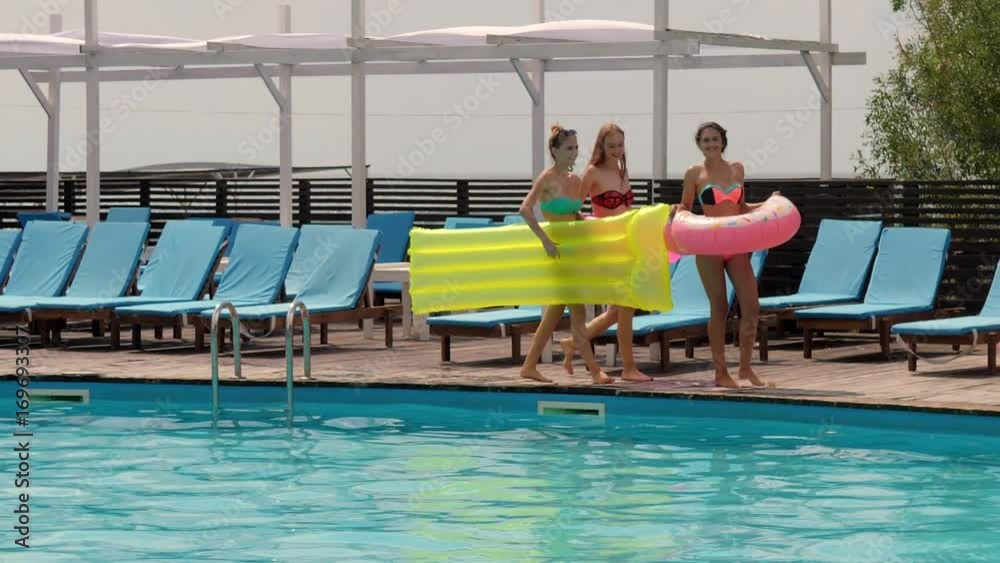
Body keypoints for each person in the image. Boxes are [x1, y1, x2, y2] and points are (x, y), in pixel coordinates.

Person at [673, 121, 771, 388]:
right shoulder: (694, 173)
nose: (711, 144)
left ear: (722, 141)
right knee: (719, 308)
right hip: (709, 246)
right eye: (706, 140)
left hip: (736, 245)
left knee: (752, 305)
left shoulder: (737, 169)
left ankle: (745, 368)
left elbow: (742, 207)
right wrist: (675, 211)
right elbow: (686, 207)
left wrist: (768, 204)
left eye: (715, 139)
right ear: (699, 144)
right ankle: (720, 373)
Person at [518, 124, 614, 385]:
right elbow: (525, 209)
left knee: (557, 312)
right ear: (555, 150)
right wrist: (546, 241)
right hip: (558, 252)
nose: (574, 152)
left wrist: (586, 226)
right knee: (578, 312)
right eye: (569, 148)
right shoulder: (547, 178)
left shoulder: (575, 180)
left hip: (576, 251)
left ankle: (530, 365)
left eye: (576, 148)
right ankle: (594, 371)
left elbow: (573, 213)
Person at [558, 123, 652, 382]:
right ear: (601, 146)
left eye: (620, 145)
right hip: (607, 247)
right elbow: (574, 208)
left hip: (627, 243)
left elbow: (624, 210)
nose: (617, 150)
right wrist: (589, 233)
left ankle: (573, 342)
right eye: (611, 146)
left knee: (616, 312)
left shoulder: (622, 171)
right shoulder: (592, 172)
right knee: (627, 306)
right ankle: (629, 368)